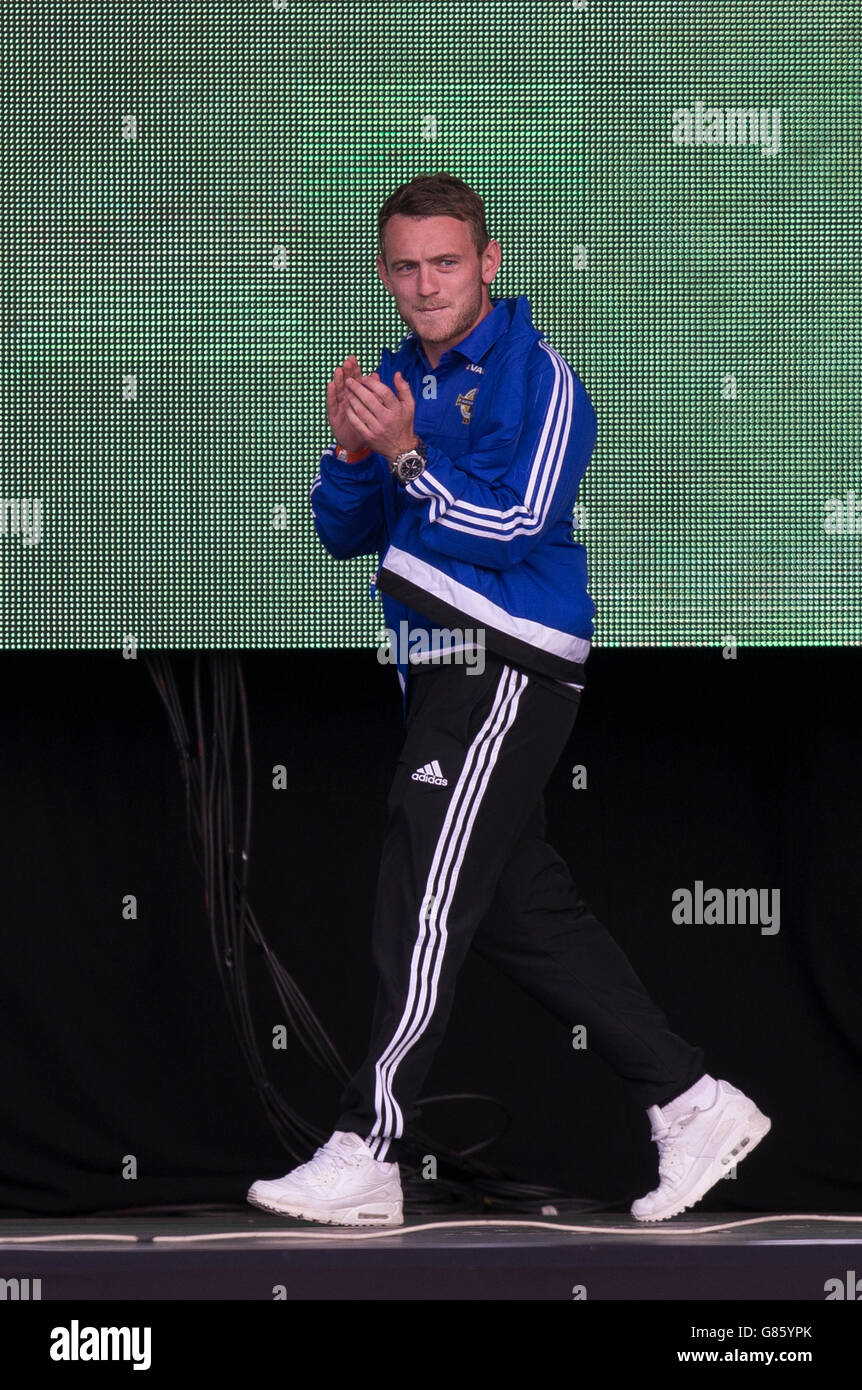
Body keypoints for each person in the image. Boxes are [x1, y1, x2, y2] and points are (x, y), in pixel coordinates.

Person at [247, 173, 771, 1227]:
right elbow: (347, 534)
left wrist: (403, 454)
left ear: (488, 263)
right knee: (520, 909)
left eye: (445, 262)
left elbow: (518, 521)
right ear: (385, 272)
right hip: (438, 665)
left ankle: (369, 1146)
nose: (424, 283)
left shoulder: (535, 370)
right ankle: (692, 1099)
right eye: (404, 266)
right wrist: (353, 456)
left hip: (506, 659)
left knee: (423, 894)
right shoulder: (400, 376)